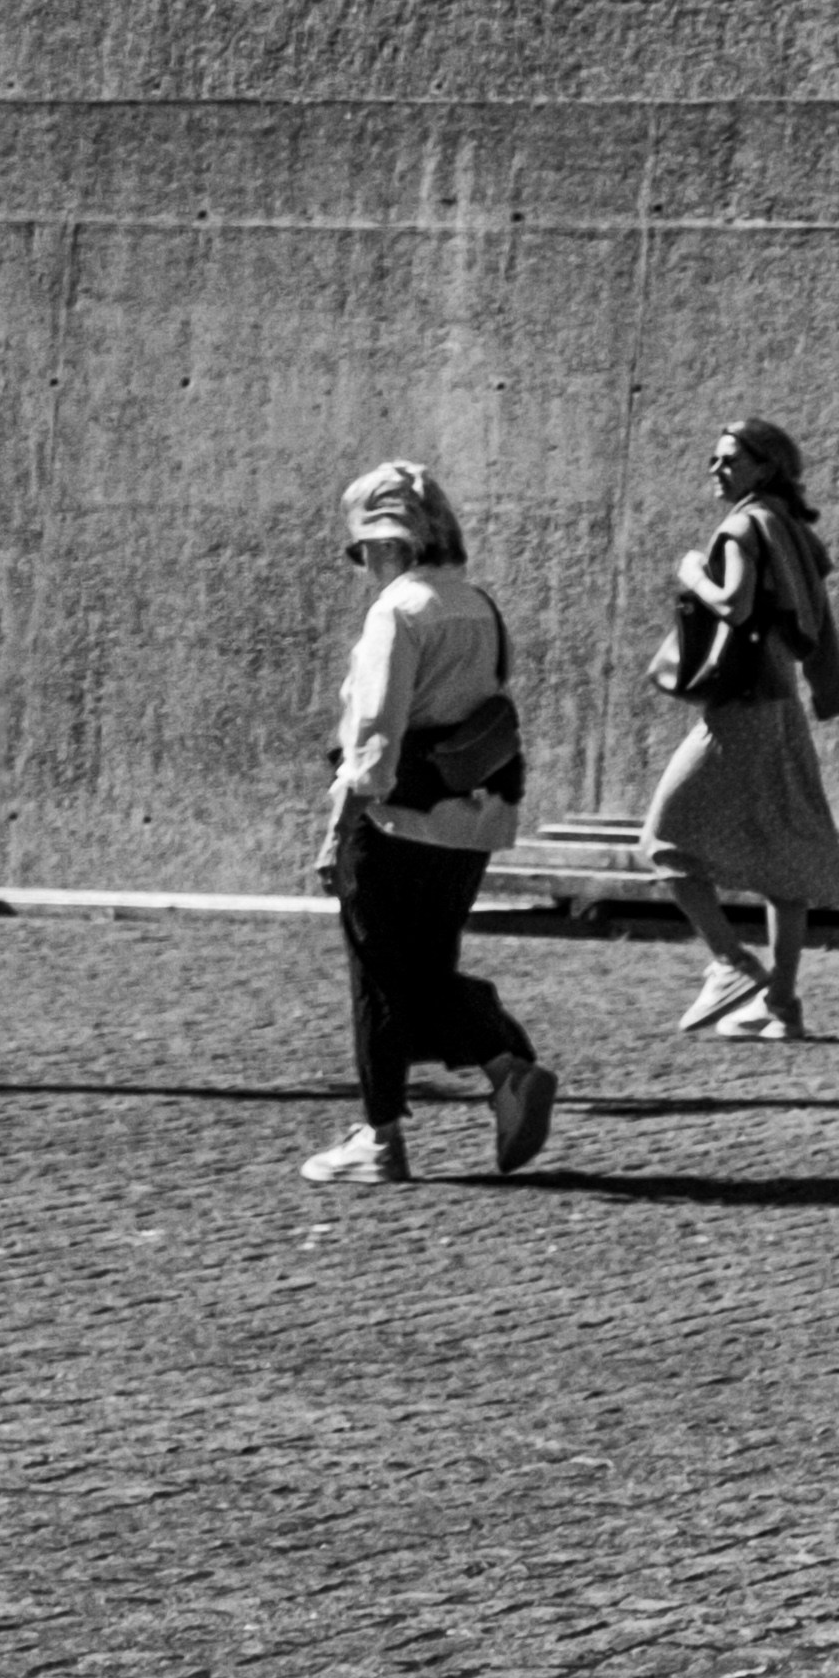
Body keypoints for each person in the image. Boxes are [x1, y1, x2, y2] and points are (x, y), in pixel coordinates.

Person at [310, 463, 554, 1188]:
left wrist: (336, 830)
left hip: (393, 821)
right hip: (472, 821)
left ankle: (383, 1136)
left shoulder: (397, 610)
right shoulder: (478, 605)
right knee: (423, 971)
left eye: (363, 549)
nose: (363, 565)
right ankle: (505, 1071)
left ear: (386, 544)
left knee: (381, 981)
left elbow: (375, 743)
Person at [647, 417, 839, 1040]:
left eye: (727, 460)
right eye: (714, 459)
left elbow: (734, 603)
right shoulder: (787, 527)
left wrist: (691, 571)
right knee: (783, 858)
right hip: (781, 706)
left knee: (664, 842)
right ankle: (782, 1005)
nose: (714, 470)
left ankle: (731, 963)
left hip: (741, 710)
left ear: (763, 467)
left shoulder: (744, 524)